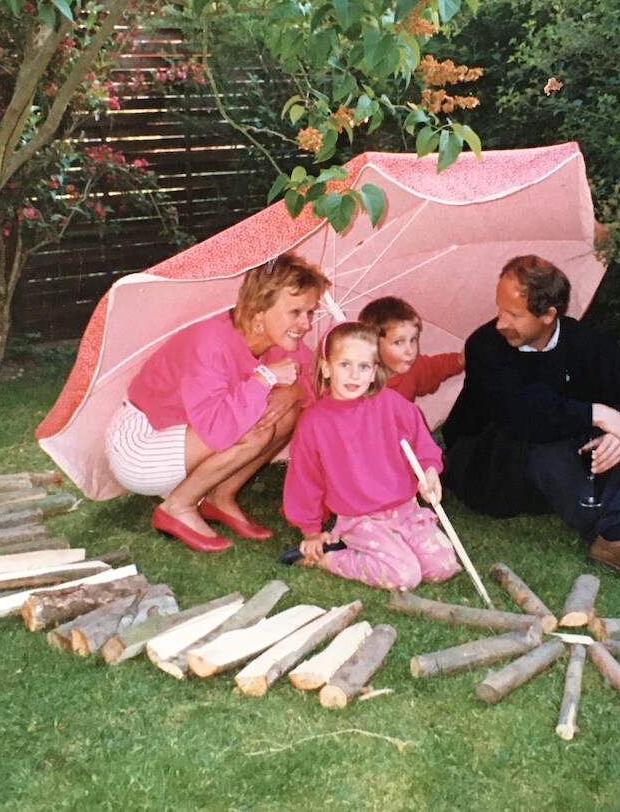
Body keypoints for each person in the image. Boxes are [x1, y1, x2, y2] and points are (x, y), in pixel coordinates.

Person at [441, 255, 620, 587]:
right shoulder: (484, 346)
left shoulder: (582, 342)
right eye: (500, 309)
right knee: (547, 434)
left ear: (548, 315)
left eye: (513, 314)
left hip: (554, 479)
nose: (500, 322)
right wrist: (599, 414)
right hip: (487, 469)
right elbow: (522, 415)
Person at [105, 253, 329, 552]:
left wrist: (295, 393)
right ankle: (177, 507)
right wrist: (263, 379)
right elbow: (216, 431)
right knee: (255, 430)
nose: (305, 324)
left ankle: (220, 496)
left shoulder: (280, 343)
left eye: (310, 313)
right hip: (140, 445)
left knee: (285, 413)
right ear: (259, 311)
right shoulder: (210, 342)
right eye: (296, 312)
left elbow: (317, 382)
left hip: (188, 439)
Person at [283, 322, 461, 590]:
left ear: (374, 371)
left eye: (363, 366)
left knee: (443, 566)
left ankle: (391, 548)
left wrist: (429, 471)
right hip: (360, 519)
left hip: (405, 511)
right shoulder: (315, 422)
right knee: (405, 576)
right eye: (345, 365)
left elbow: (421, 443)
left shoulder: (391, 404)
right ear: (327, 368)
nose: (354, 374)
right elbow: (305, 479)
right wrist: (310, 531)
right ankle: (332, 558)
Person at [358, 296, 465, 402]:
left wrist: (459, 360)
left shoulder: (414, 367)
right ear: (374, 345)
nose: (410, 351)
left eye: (413, 339)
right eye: (399, 342)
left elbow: (435, 369)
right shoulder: (357, 381)